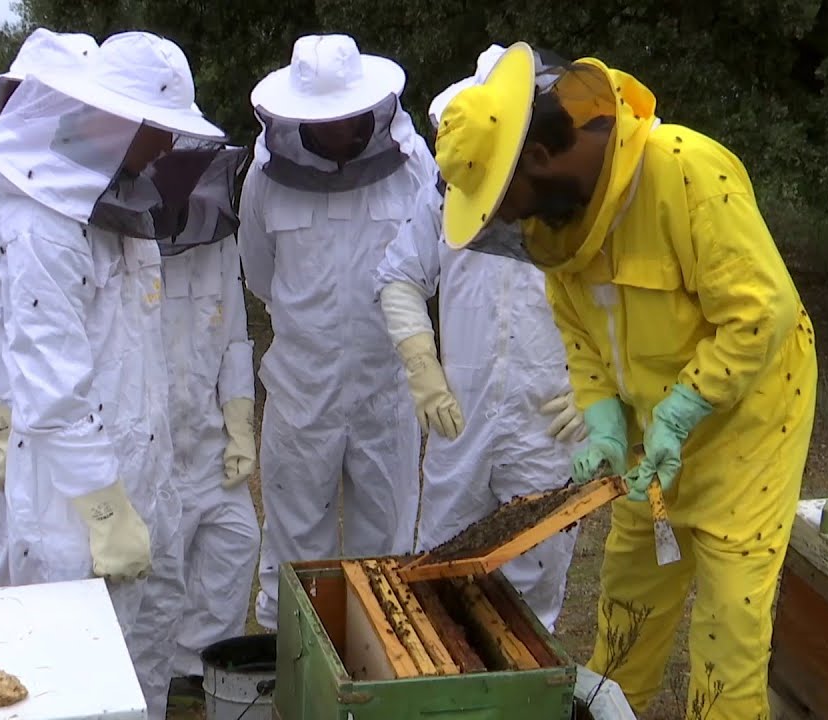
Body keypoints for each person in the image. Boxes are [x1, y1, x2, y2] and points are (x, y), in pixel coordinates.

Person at [434, 42, 818, 720]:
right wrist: (606, 417)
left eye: (511, 204)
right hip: (648, 426)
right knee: (631, 589)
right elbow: (580, 335)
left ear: (543, 160)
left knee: (731, 615)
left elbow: (761, 312)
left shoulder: (685, 171)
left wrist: (682, 411)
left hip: (748, 424)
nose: (517, 225)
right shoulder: (566, 225)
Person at [0, 31, 230, 720]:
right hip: (74, 508)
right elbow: (53, 388)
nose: (167, 149)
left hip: (146, 478)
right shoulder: (38, 225)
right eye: (157, 131)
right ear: (114, 121)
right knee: (74, 680)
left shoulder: (122, 214)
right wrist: (105, 510)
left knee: (142, 662)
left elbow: (136, 360)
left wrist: (146, 495)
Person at [374, 43, 585, 632]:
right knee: (440, 568)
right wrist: (422, 369)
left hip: (547, 419)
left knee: (536, 582)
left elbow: (623, 297)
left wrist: (604, 386)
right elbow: (398, 277)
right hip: (459, 418)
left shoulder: (575, 193)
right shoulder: (448, 189)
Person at [239, 34, 432, 630]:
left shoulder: (413, 164)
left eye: (345, 115)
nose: (336, 129)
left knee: (389, 542)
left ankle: (381, 668)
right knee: (296, 544)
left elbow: (429, 261)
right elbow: (261, 273)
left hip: (390, 384)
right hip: (302, 390)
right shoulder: (266, 178)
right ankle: (289, 669)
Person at [0, 28, 99, 590]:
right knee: (4, 540)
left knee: (61, 548)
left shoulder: (79, 197)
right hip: (11, 402)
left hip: (66, 407)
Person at [154, 144, 261, 692]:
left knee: (235, 542)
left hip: (210, 435)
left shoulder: (218, 239)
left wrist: (240, 421)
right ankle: (158, 670)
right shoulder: (123, 241)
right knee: (161, 565)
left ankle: (198, 665)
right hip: (156, 444)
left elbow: (235, 338)